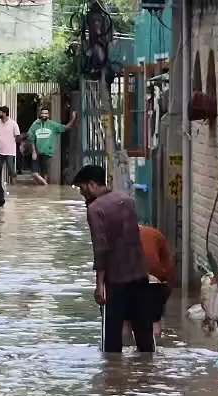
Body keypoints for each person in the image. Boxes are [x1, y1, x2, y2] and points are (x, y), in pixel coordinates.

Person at [72, 164, 159, 353]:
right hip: (140, 274)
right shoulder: (127, 200)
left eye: (82, 188)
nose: (81, 193)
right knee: (144, 334)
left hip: (117, 279)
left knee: (111, 342)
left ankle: (114, 378)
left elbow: (101, 248)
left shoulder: (95, 209)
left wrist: (99, 285)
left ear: (93, 185)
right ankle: (147, 376)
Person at [28, 108, 78, 185]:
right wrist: (34, 151)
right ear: (40, 114)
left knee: (44, 174)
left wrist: (74, 119)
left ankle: (44, 191)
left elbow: (66, 127)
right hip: (37, 153)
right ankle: (46, 186)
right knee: (35, 174)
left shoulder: (53, 125)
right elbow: (31, 138)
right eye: (43, 113)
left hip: (48, 153)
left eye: (46, 113)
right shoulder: (35, 124)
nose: (44, 115)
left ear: (48, 115)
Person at [0, 106, 20, 185]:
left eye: (0, 112)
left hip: (10, 151)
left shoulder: (13, 123)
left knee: (11, 170)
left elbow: (17, 136)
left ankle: (14, 188)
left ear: (5, 113)